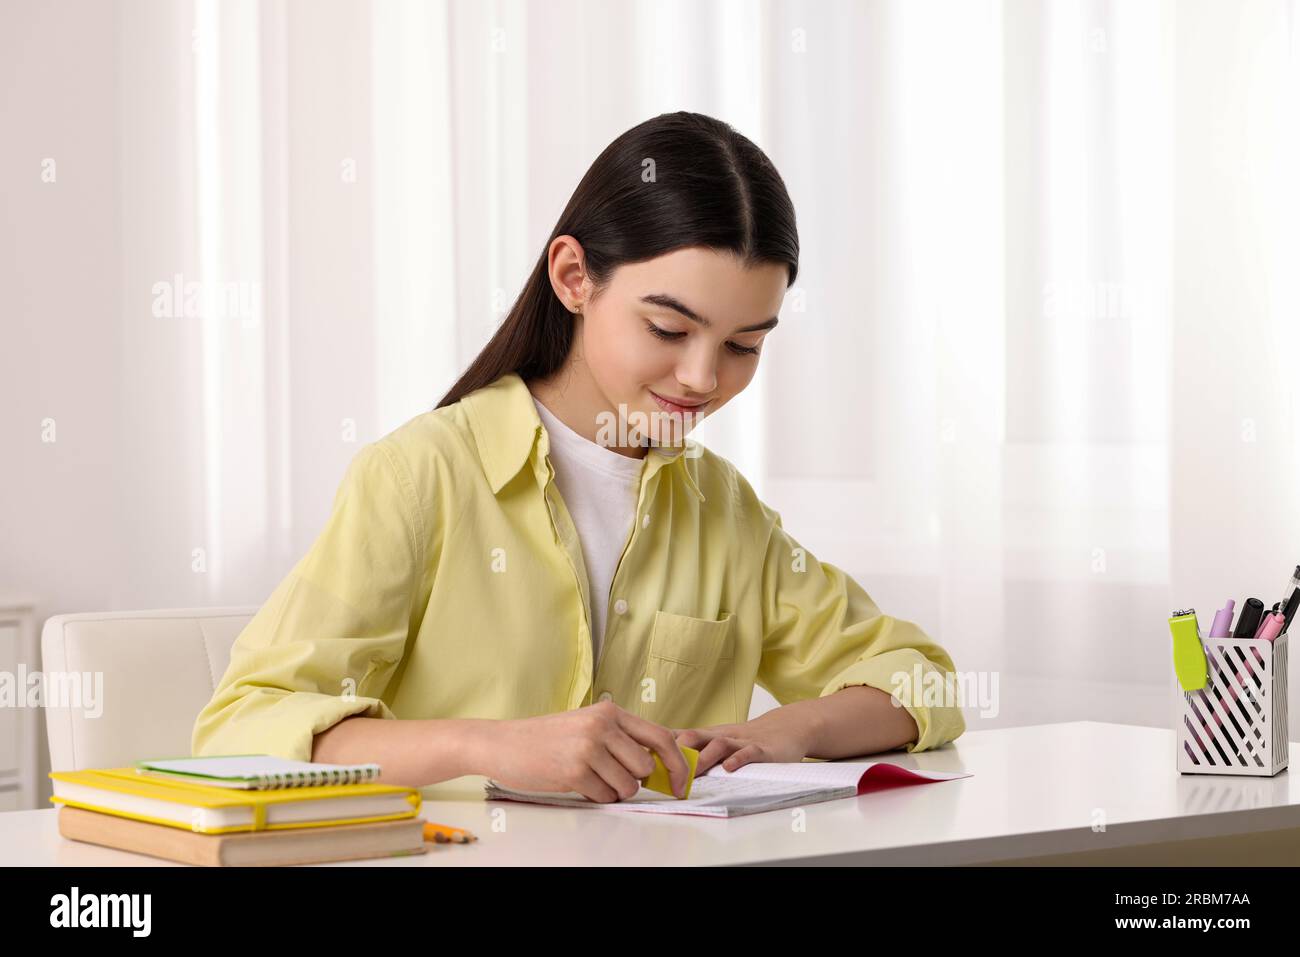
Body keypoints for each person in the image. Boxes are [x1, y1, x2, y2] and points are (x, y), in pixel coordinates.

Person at [192, 111, 966, 803]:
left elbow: (919, 676)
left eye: (742, 345)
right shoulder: (420, 477)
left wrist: (790, 729)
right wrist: (487, 746)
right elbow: (241, 728)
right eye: (668, 329)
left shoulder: (724, 512)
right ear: (573, 278)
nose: (703, 378)